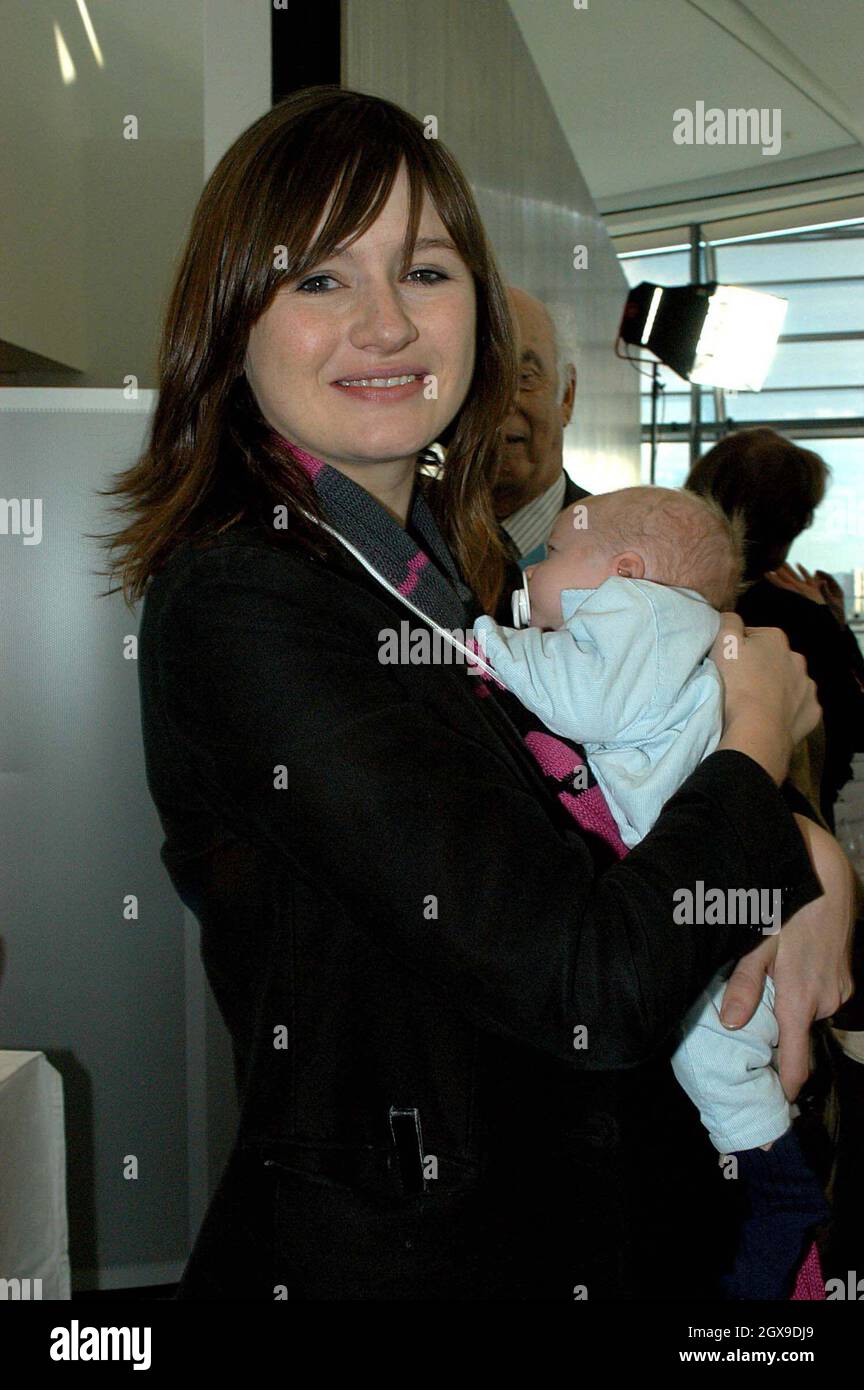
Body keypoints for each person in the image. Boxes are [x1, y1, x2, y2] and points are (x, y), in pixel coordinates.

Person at [101, 87, 853, 1301]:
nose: (388, 325)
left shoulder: (469, 579)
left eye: (427, 270)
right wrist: (759, 744)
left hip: (584, 1223)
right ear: (228, 319)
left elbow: (598, 820)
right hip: (417, 1261)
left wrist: (807, 853)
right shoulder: (248, 600)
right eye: (321, 281)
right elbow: (580, 981)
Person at [473, 485, 853, 1297]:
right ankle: (778, 1197)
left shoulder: (636, 615)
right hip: (705, 894)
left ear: (625, 571)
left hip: (694, 915)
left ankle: (779, 1194)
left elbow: (582, 700)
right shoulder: (687, 632)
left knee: (717, 1060)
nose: (531, 572)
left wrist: (483, 645)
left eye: (549, 560)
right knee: (723, 1066)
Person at [685, 429, 864, 830]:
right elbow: (853, 724)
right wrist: (834, 626)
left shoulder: (663, 593)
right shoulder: (798, 617)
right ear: (789, 523)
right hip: (789, 834)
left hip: (677, 827)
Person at [492, 287, 588, 572]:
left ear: (567, 395)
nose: (498, 405)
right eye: (476, 380)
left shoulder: (627, 548)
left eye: (524, 378)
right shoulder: (400, 542)